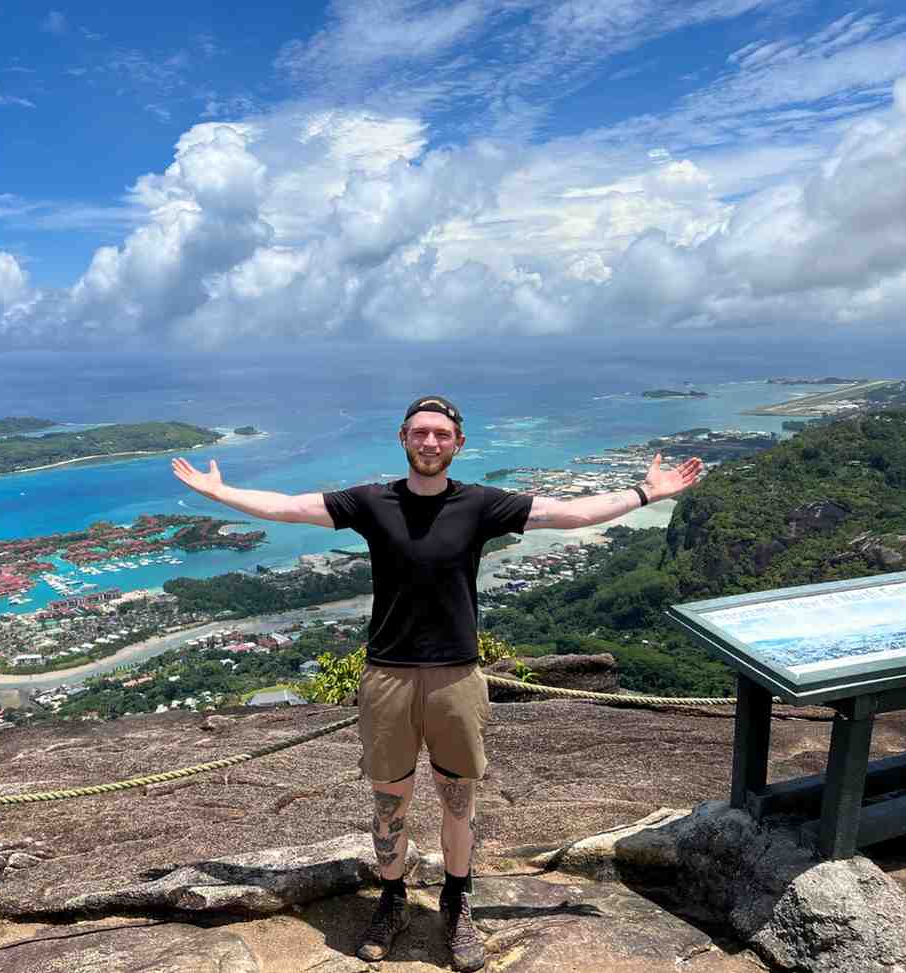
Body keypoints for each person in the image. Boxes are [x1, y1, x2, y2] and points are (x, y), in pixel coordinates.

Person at [171, 395, 703, 971]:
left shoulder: (479, 505)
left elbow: (567, 513)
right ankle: (393, 898)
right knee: (388, 802)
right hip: (388, 677)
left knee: (457, 800)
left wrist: (649, 492)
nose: (430, 443)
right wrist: (220, 493)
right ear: (404, 438)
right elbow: (288, 507)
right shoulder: (372, 502)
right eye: (420, 433)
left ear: (458, 444)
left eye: (441, 435)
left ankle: (456, 901)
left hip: (457, 676)